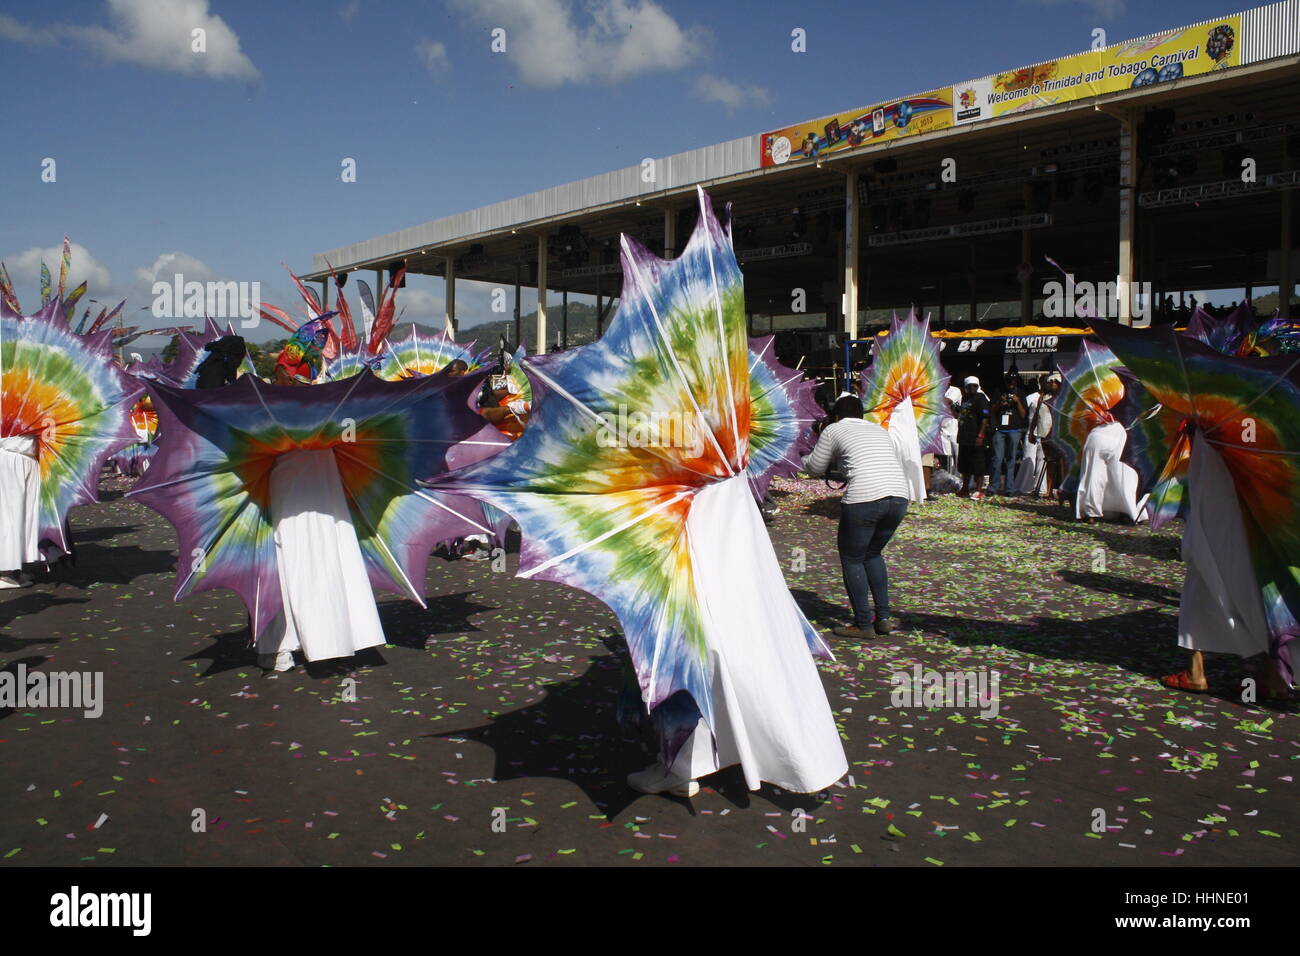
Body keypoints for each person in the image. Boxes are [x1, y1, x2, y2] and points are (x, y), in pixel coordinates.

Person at [1162, 429, 1292, 698]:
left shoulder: (1213, 430)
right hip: (1251, 518)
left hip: (1219, 515)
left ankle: (1196, 672)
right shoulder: (1255, 419)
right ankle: (1272, 674)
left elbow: (1204, 491)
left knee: (1203, 587)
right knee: (1251, 589)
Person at [802, 395, 910, 639]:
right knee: (873, 553)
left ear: (836, 416)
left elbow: (815, 467)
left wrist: (805, 453)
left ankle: (863, 623)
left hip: (865, 497)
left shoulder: (833, 429)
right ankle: (883, 617)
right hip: (899, 496)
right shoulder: (878, 430)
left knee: (852, 559)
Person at [1074, 418, 1147, 524]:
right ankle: (1130, 512)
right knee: (1124, 477)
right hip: (1123, 433)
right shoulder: (1133, 403)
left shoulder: (1092, 402)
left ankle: (1091, 513)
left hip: (1097, 434)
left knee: (1093, 476)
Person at [0, 431, 40, 588]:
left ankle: (11, 569)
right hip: (16, 458)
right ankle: (6, 572)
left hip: (16, 457)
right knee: (12, 515)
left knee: (15, 515)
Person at [989, 370, 1027, 495]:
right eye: (1009, 381)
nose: (1011, 383)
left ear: (1016, 382)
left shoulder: (1020, 393)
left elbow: (1023, 415)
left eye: (1013, 381)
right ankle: (993, 487)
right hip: (1000, 429)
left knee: (1011, 460)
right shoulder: (998, 391)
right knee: (997, 459)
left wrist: (1017, 402)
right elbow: (992, 410)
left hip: (1015, 429)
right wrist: (1000, 403)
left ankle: (1009, 488)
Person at [955, 376, 991, 498]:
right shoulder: (965, 398)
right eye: (969, 386)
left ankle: (979, 489)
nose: (972, 388)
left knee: (978, 463)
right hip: (964, 436)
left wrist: (980, 435)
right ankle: (965, 488)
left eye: (974, 386)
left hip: (975, 436)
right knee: (964, 464)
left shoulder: (981, 398)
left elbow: (985, 418)